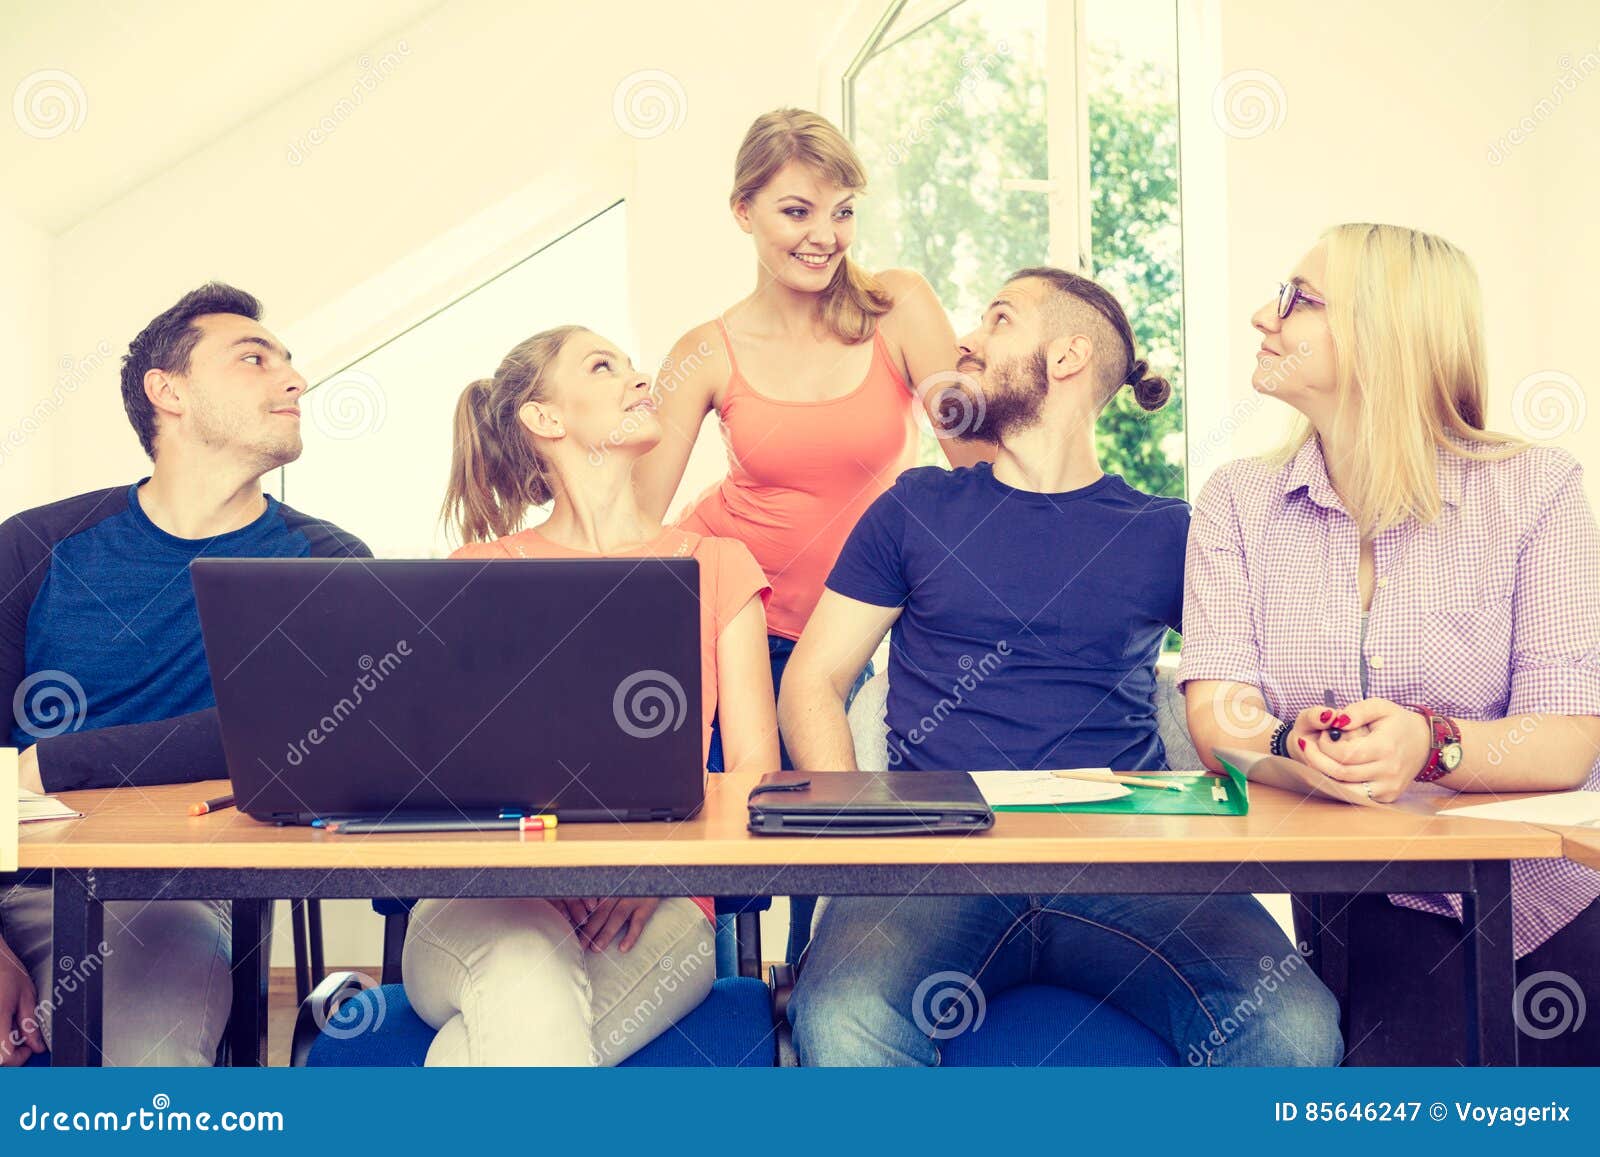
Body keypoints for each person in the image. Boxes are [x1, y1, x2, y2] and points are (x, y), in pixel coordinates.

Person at [779, 266, 1343, 1067]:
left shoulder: (1167, 529)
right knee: (842, 1014)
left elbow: (1247, 688)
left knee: (1291, 1025)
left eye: (998, 319)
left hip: (1131, 863)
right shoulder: (917, 507)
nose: (966, 341)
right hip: (943, 863)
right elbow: (815, 680)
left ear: (1070, 355)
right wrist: (861, 837)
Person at [1180, 223, 1600, 1065]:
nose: (1266, 314)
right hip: (1358, 908)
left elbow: (1568, 739)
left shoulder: (1538, 489)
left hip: (1547, 903)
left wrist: (1430, 744)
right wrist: (1283, 739)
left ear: (1382, 334)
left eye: (1300, 299)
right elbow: (1217, 711)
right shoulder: (1236, 502)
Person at [635, 107, 991, 960]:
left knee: (837, 836)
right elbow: (636, 525)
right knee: (731, 842)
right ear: (743, 211)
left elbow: (976, 471)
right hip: (730, 627)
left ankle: (819, 994)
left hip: (851, 628)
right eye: (797, 211)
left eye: (842, 211)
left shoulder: (897, 308)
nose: (824, 236)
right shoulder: (707, 350)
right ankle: (728, 1009)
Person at [0, 283, 369, 1066]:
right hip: (20, 892)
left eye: (290, 363)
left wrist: (58, 762)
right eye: (254, 358)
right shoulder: (35, 547)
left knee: (149, 1065)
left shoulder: (329, 566)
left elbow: (288, 741)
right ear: (167, 392)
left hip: (172, 897)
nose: (295, 380)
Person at [401, 325, 778, 1065]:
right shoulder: (476, 570)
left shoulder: (718, 564)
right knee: (524, 967)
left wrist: (653, 864)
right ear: (545, 419)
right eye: (605, 366)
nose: (641, 378)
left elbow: (755, 776)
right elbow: (442, 775)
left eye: (634, 365)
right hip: (482, 900)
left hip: (662, 910)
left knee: (475, 1048)